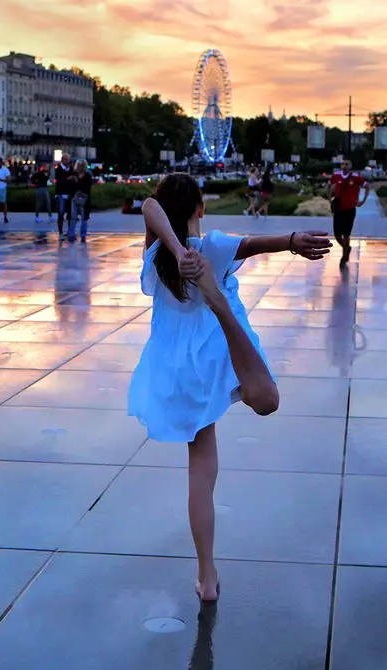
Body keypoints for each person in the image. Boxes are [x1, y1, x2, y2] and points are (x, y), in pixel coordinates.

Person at [128, 173, 331, 602]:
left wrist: (176, 249)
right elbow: (255, 245)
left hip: (177, 363)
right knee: (264, 400)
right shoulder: (211, 247)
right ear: (200, 209)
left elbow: (147, 206)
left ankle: (206, 576)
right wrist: (293, 239)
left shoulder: (155, 254)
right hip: (217, 347)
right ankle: (224, 319)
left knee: (199, 466)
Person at [327, 159, 369, 267]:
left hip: (350, 210)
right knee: (337, 234)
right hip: (338, 209)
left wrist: (362, 201)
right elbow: (328, 185)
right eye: (342, 164)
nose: (344, 166)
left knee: (346, 234)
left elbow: (367, 187)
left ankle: (344, 256)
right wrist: (329, 199)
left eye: (347, 164)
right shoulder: (336, 176)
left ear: (351, 166)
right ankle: (347, 248)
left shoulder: (356, 178)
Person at [67, 159, 92, 242]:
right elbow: (71, 187)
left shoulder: (88, 176)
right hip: (74, 198)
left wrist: (77, 182)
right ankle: (71, 234)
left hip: (83, 199)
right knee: (73, 217)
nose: (80, 166)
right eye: (78, 165)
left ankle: (83, 235)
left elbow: (87, 188)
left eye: (81, 165)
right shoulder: (74, 174)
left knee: (84, 218)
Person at [54, 153, 74, 234]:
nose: (68, 161)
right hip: (61, 194)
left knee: (70, 213)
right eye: (66, 159)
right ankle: (60, 231)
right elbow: (60, 180)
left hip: (69, 193)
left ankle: (70, 230)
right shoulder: (58, 168)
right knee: (61, 213)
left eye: (69, 159)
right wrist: (68, 178)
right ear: (63, 160)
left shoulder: (70, 168)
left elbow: (73, 177)